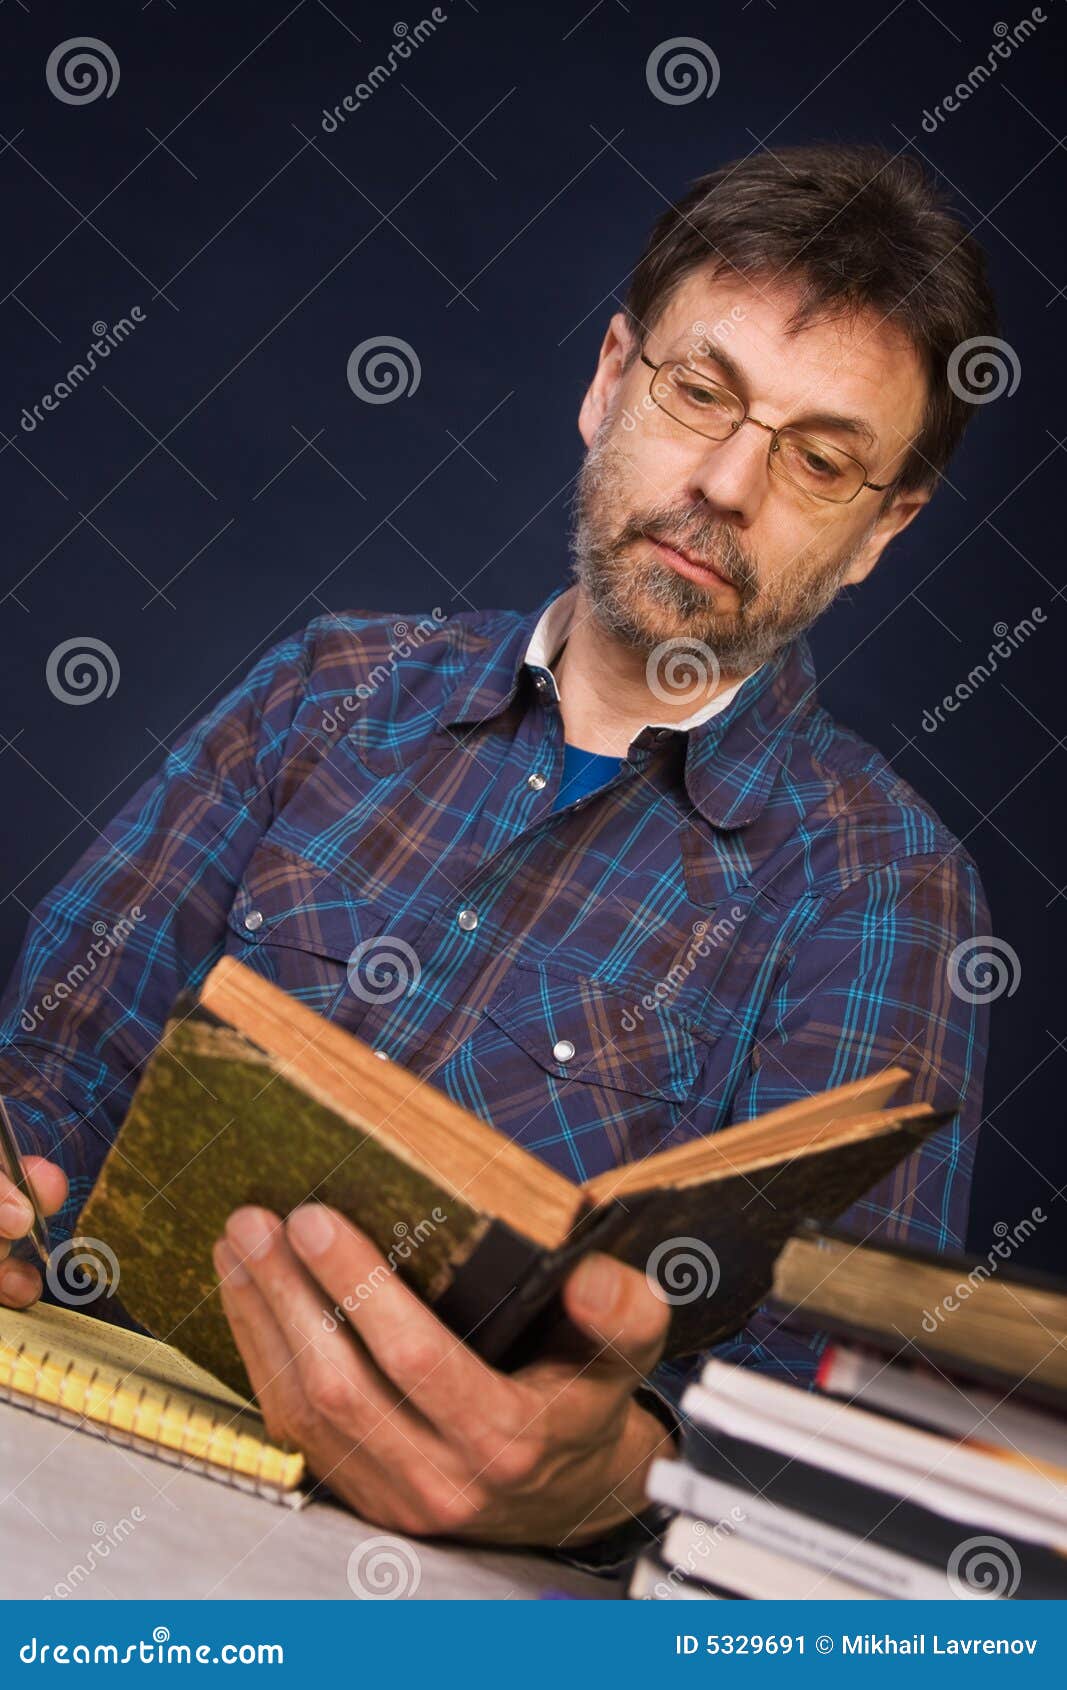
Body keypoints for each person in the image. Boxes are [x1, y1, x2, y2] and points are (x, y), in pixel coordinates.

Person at [0, 144, 996, 1563]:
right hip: (64, 1466)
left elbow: (822, 1436)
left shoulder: (886, 890)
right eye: (699, 391)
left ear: (879, 530)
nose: (725, 482)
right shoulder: (323, 688)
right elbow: (52, 1070)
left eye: (821, 458)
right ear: (608, 378)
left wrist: (606, 1475)